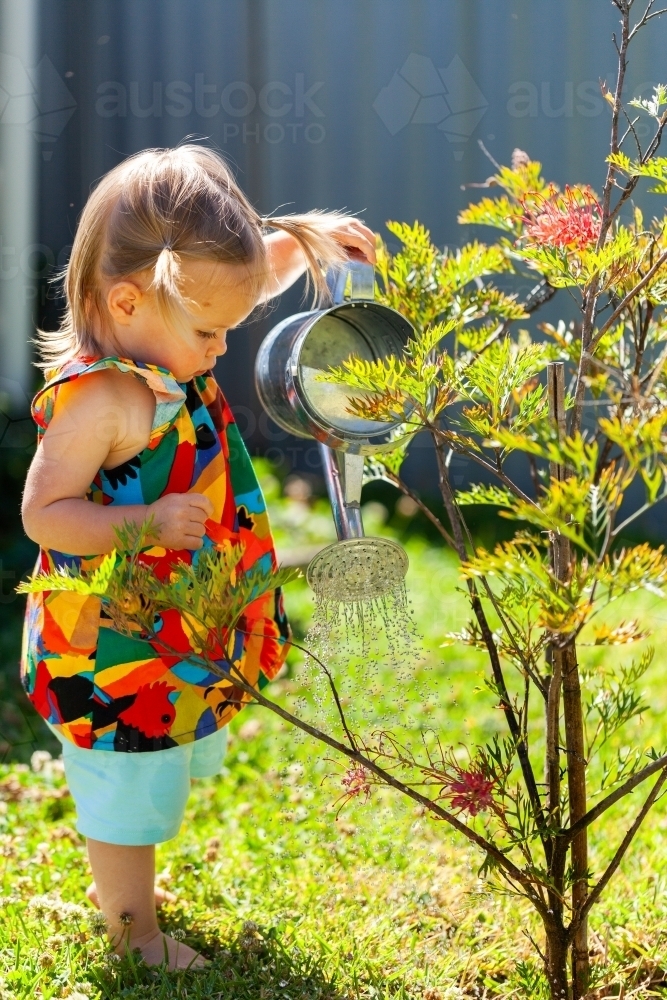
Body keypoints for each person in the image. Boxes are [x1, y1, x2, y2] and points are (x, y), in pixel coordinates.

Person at [19, 144, 376, 970]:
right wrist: (141, 519)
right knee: (125, 791)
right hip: (114, 652)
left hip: (171, 631)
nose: (222, 347)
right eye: (211, 331)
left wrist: (311, 241)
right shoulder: (102, 399)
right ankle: (134, 940)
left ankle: (135, 909)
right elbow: (45, 515)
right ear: (126, 300)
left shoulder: (165, 336)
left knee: (156, 770)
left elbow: (240, 280)